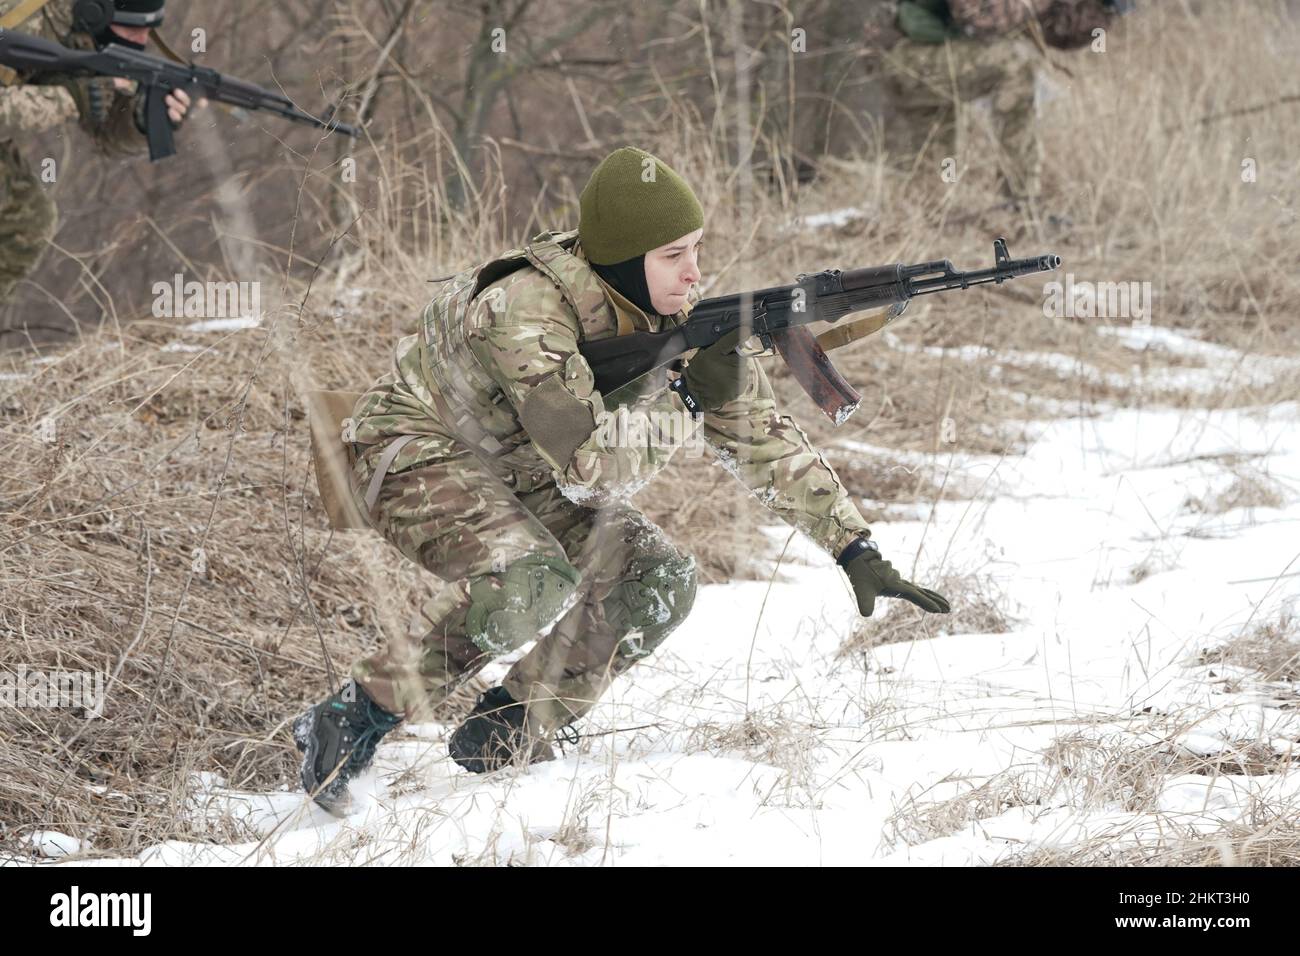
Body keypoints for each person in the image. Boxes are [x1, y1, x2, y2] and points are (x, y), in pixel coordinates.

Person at [294, 146, 951, 815]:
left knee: (657, 579)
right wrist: (687, 401)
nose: (694, 271)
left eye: (697, 248)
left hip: (521, 464)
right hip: (411, 453)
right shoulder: (523, 311)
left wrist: (853, 546)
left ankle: (514, 727)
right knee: (531, 578)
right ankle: (354, 716)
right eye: (673, 255)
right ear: (621, 258)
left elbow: (761, 436)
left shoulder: (672, 309)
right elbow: (592, 471)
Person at [0, 0, 194, 307]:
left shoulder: (85, 33)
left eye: (149, 30)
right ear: (95, 11)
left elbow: (104, 131)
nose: (141, 40)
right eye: (131, 28)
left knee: (27, 219)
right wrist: (69, 99)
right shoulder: (19, 15)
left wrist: (143, 120)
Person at [879, 0, 1131, 200]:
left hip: (931, 55)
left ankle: (924, 218)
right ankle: (1022, 200)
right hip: (903, 58)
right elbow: (978, 16)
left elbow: (1055, 34)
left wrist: (1094, 11)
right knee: (1015, 64)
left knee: (933, 189)